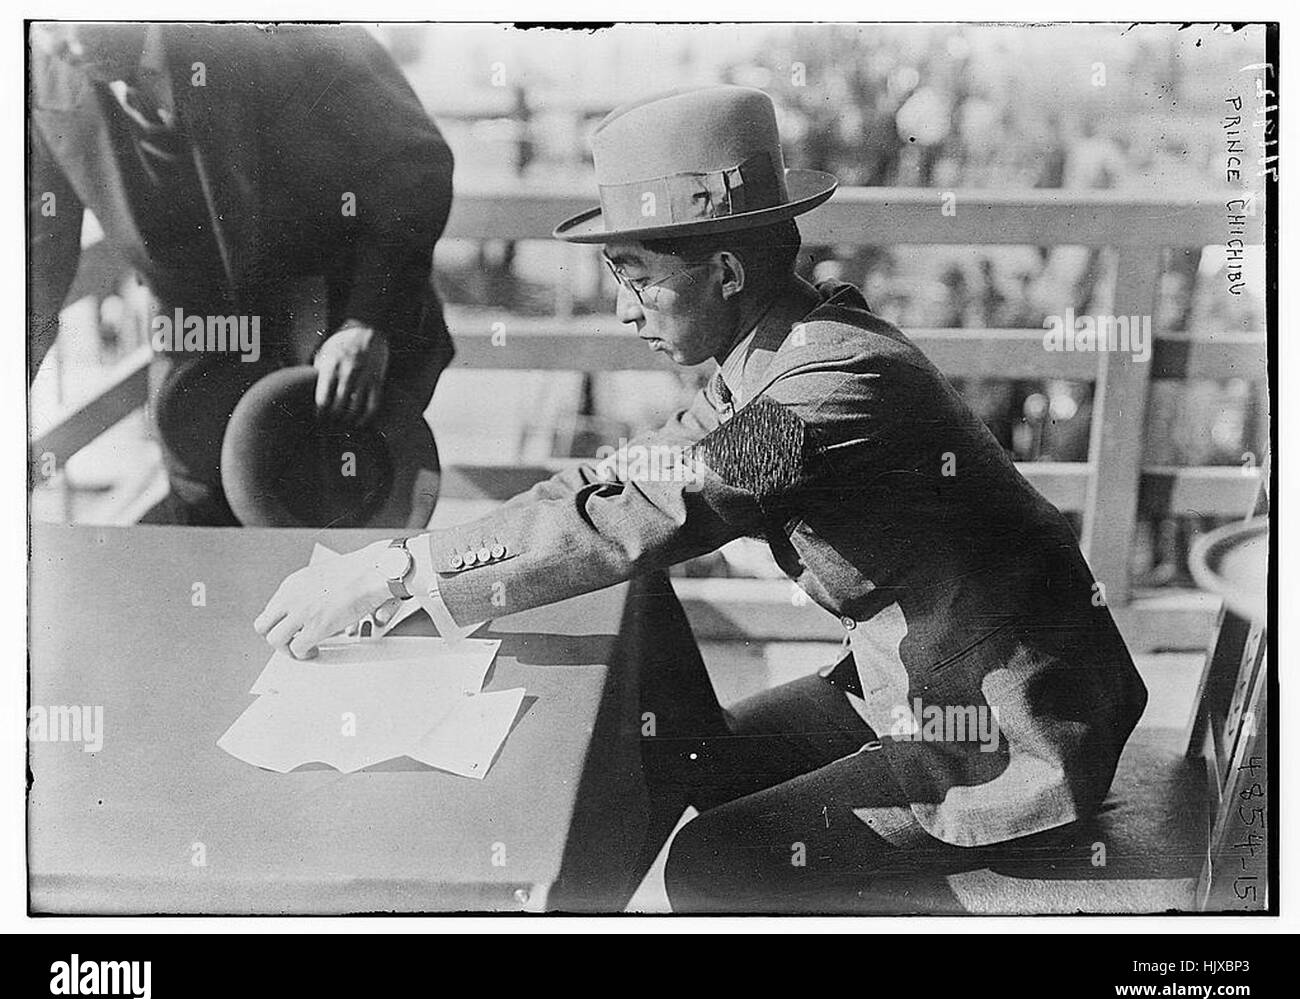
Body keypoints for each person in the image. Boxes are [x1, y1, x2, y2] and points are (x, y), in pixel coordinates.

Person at [253, 85, 1149, 912]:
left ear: (724, 271)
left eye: (639, 275)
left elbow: (654, 512)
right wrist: (408, 569)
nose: (625, 310)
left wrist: (406, 567)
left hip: (1013, 731)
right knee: (694, 760)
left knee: (715, 864)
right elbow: (626, 478)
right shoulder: (779, 347)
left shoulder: (825, 391)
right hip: (914, 685)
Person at [29, 23, 455, 524]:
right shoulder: (42, 72)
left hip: (339, 345)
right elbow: (40, 251)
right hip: (198, 355)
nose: (60, 41)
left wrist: (368, 322)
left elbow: (414, 169)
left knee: (344, 539)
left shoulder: (286, 29)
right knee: (206, 535)